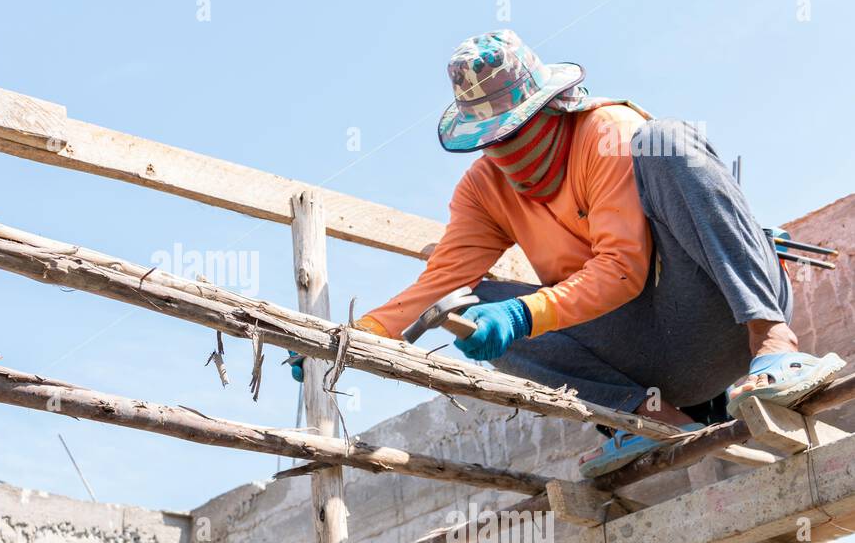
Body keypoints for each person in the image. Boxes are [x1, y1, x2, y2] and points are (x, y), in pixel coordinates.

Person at [294, 29, 844, 477]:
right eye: (493, 138)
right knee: (464, 303)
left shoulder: (608, 133)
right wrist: (347, 339)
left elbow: (623, 269)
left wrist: (523, 314)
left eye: (516, 130)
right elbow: (436, 287)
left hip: (715, 321)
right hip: (647, 361)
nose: (506, 151)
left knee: (669, 139)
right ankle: (647, 416)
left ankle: (774, 342)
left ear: (554, 106)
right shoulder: (485, 190)